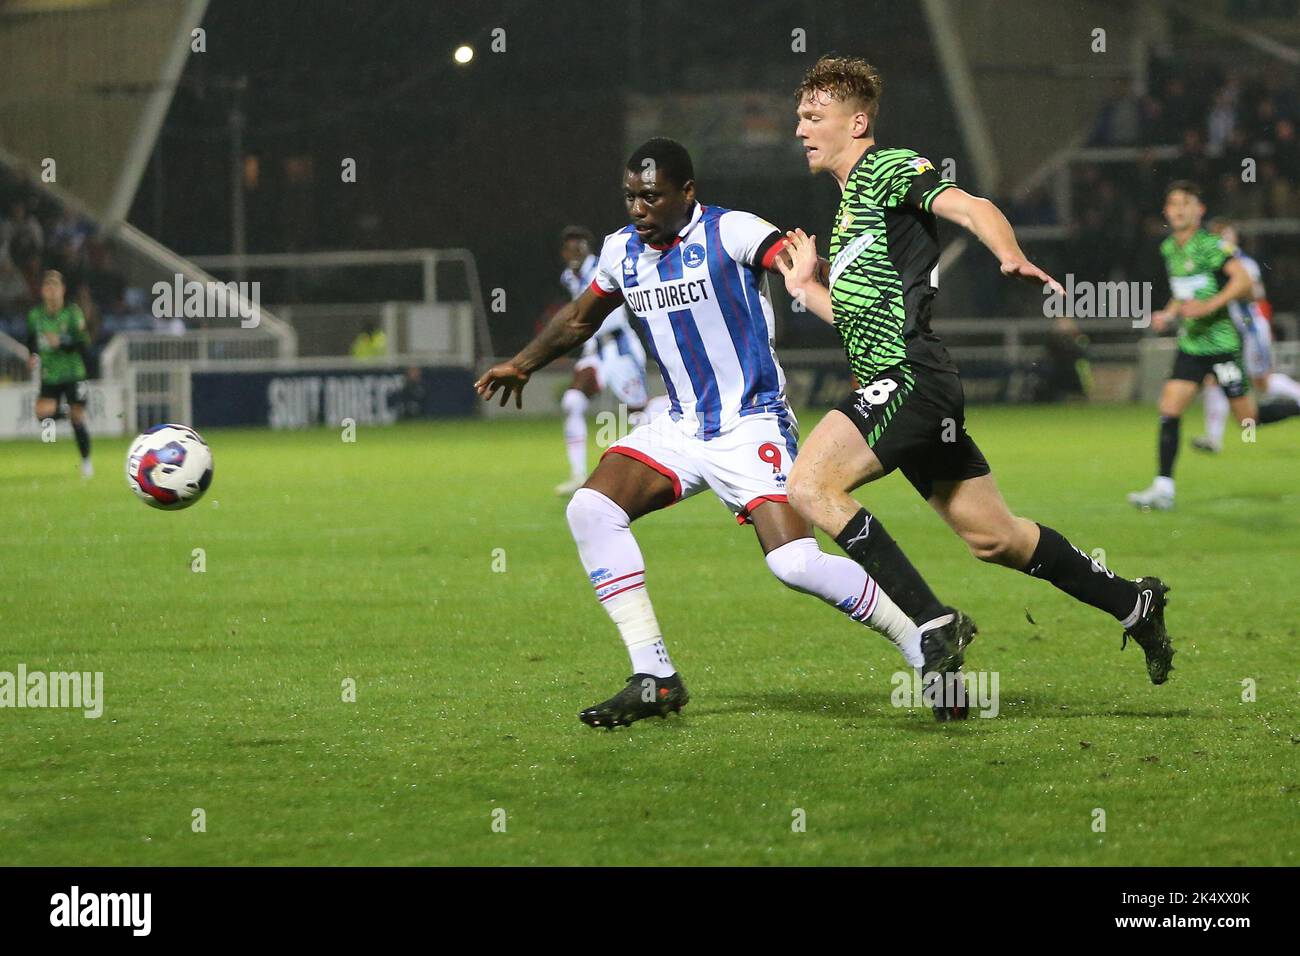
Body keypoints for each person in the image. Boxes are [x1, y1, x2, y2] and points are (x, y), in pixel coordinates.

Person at [476, 138, 966, 727]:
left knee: (794, 564)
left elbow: (789, 260)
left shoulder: (731, 230)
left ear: (687, 193)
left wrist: (818, 272)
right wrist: (523, 363)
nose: (638, 208)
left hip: (750, 423)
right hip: (681, 426)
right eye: (631, 196)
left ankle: (925, 646)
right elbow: (581, 317)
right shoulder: (620, 252)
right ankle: (654, 675)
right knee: (590, 509)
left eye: (652, 197)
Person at [775, 55, 1174, 688]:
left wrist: (1009, 254)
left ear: (856, 123)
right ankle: (1134, 603)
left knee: (810, 487)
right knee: (995, 539)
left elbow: (971, 205)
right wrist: (806, 289)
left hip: (908, 379)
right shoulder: (850, 207)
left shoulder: (886, 167)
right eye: (799, 115)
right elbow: (859, 321)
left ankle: (931, 623)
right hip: (908, 386)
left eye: (813, 116)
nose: (800, 128)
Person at [1129, 183, 1300, 508]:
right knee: (1169, 409)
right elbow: (1184, 293)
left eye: (1186, 203)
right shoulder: (1169, 248)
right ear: (1166, 211)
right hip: (1192, 346)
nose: (1178, 209)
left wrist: (1208, 307)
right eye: (1173, 203)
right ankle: (1163, 488)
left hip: (1222, 346)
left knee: (1248, 419)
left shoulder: (1211, 245)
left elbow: (1245, 282)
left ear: (1199, 210)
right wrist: (1168, 314)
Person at [554, 225, 657, 496]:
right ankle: (578, 475)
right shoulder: (568, 276)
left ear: (589, 249)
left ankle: (651, 469)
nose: (573, 251)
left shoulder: (601, 267)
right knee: (572, 402)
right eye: (569, 246)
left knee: (638, 415)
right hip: (595, 351)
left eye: (579, 245)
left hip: (619, 347)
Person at [1192, 219, 1300, 453]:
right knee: (1215, 378)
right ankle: (1213, 439)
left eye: (1226, 236)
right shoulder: (1214, 265)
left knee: (1262, 383)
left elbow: (1255, 294)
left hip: (1250, 331)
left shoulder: (1244, 264)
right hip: (1229, 334)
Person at [27, 270, 93, 477]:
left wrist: (63, 342)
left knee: (77, 420)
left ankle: (86, 462)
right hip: (50, 375)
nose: (52, 291)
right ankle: (69, 410)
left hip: (74, 373)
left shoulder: (72, 313)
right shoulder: (35, 316)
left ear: (63, 289)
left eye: (55, 286)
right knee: (42, 415)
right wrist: (33, 355)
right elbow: (31, 341)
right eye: (48, 286)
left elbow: (84, 344)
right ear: (42, 291)